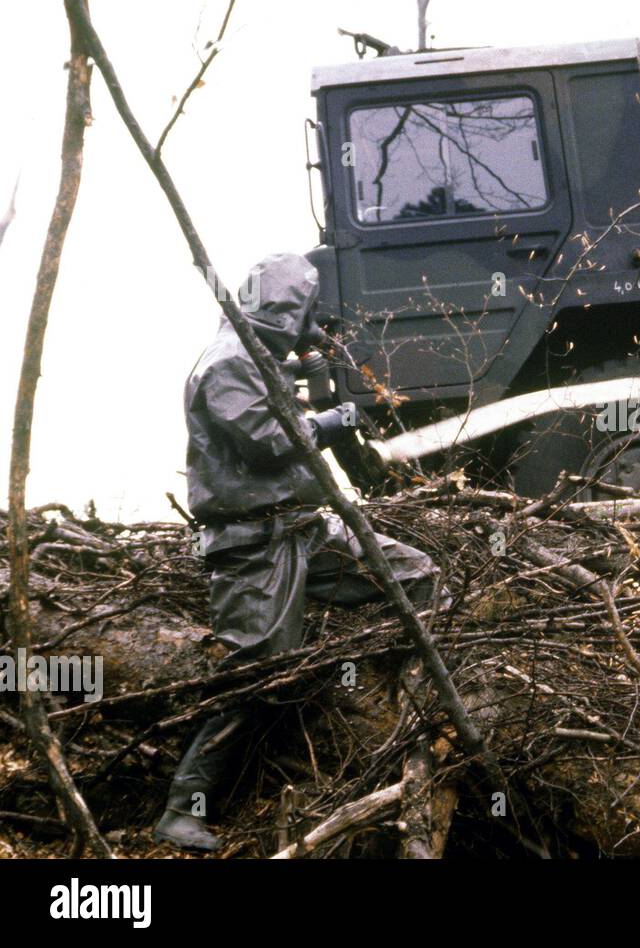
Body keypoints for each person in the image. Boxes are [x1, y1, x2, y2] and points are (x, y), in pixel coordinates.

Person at [154, 253, 439, 852]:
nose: (311, 319)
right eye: (303, 308)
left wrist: (313, 357)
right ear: (282, 306)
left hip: (305, 528)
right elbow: (267, 441)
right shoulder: (229, 362)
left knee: (415, 575)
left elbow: (287, 412)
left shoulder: (256, 356)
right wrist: (331, 422)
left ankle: (407, 707)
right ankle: (183, 809)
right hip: (254, 546)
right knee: (257, 675)